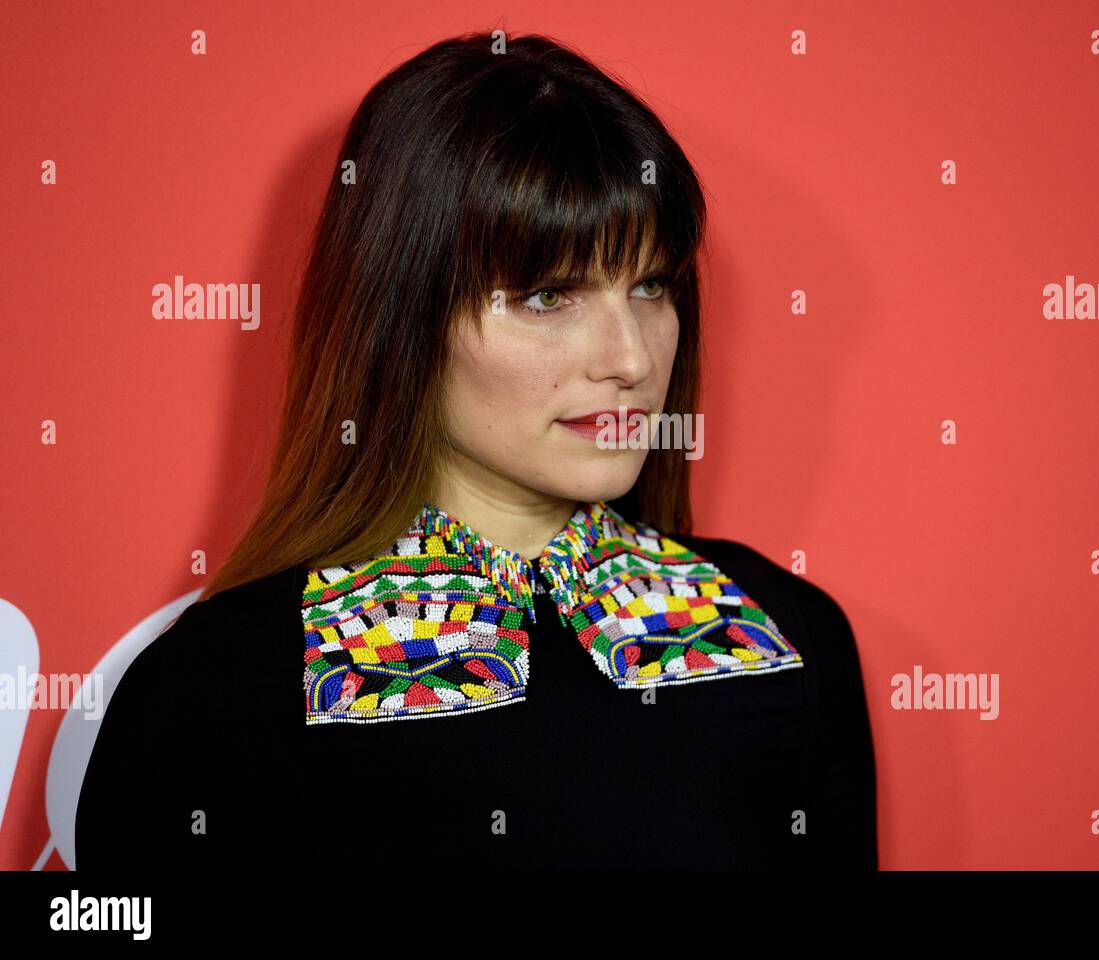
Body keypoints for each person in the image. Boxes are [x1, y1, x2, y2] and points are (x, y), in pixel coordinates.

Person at [75, 29, 877, 874]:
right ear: (400, 319)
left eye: (651, 286)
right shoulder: (212, 691)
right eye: (548, 296)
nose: (633, 359)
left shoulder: (788, 636)